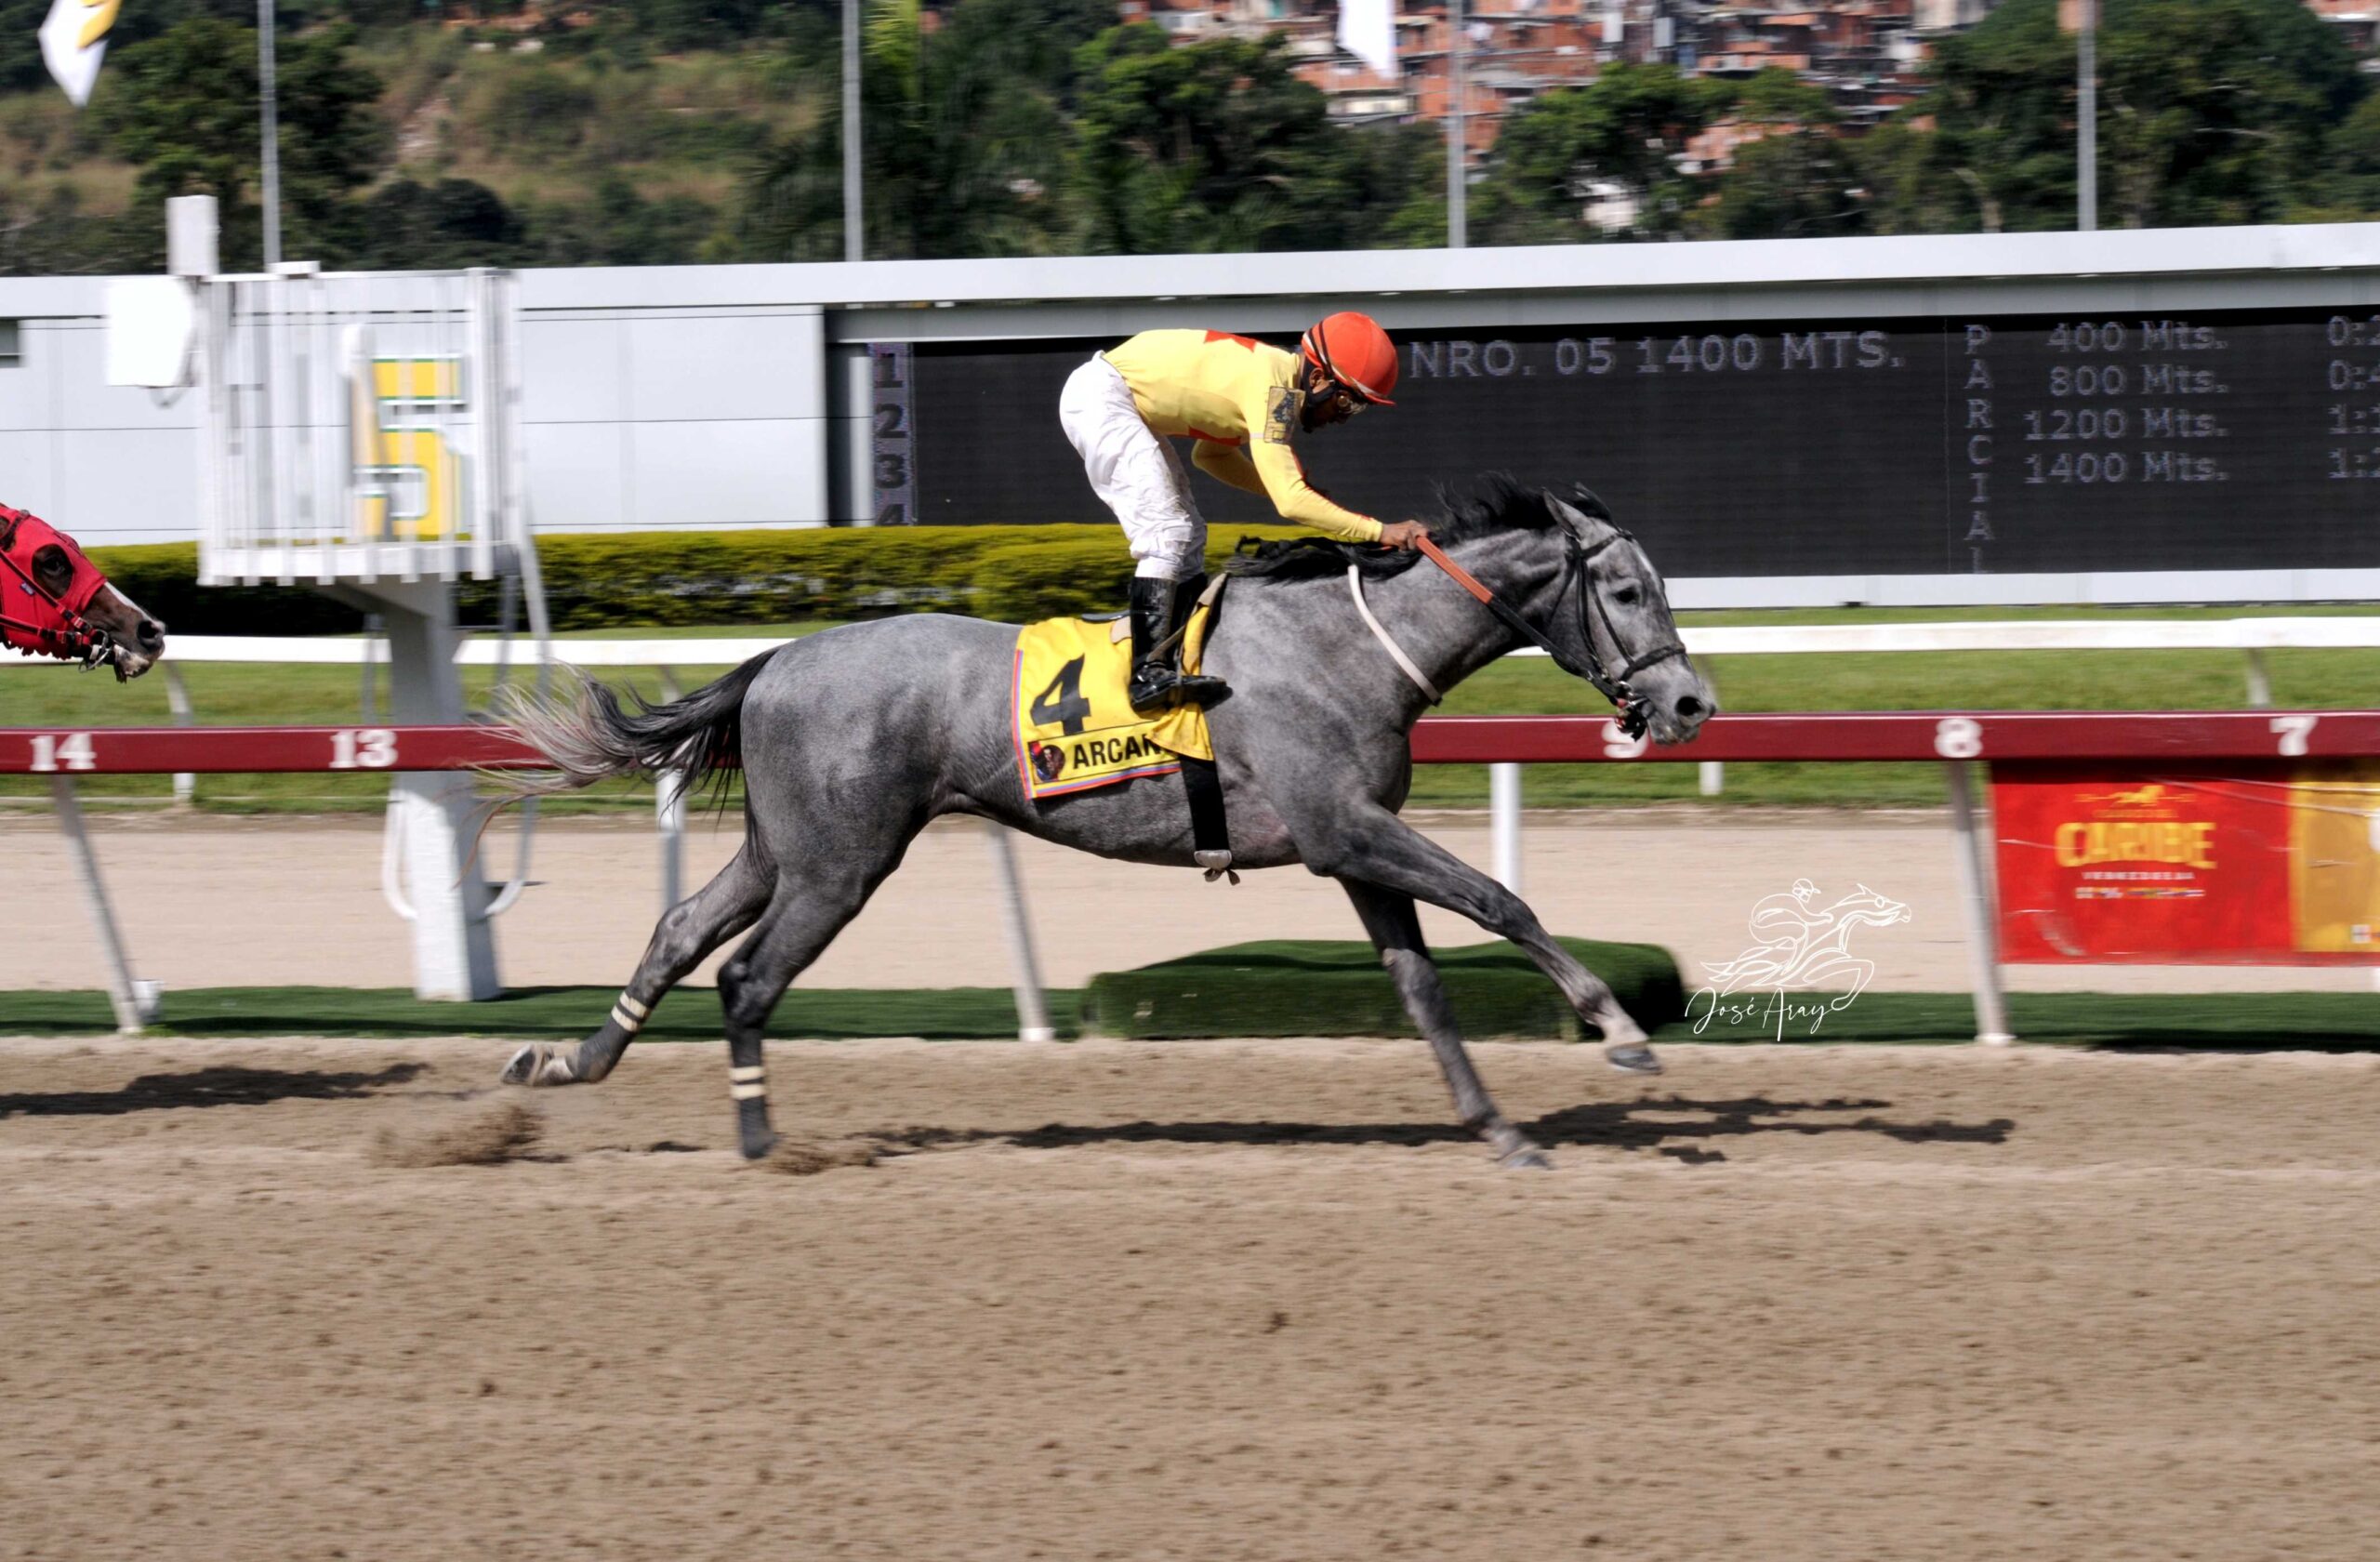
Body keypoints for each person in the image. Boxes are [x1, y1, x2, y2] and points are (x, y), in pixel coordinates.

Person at [1060, 311, 1432, 713]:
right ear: (1320, 379)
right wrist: (1379, 532)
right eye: (1347, 402)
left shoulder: (1276, 383)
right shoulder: (1277, 392)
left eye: (1357, 408)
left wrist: (1285, 487)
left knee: (1188, 536)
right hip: (1102, 397)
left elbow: (1212, 456)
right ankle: (1146, 675)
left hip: (1112, 396)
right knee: (1167, 534)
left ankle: (1176, 657)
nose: (1342, 417)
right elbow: (1290, 501)